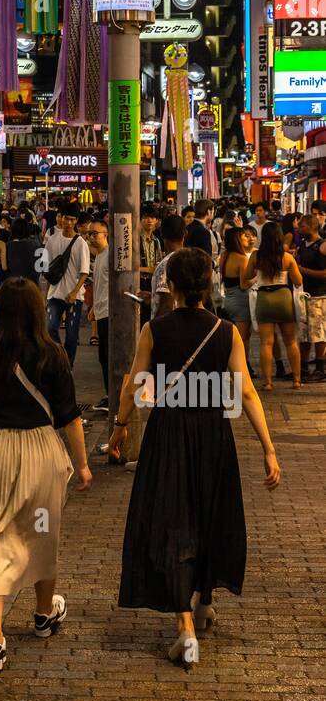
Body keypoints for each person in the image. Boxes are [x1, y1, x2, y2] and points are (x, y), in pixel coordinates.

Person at [109, 248, 281, 671]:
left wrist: (120, 426)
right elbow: (246, 393)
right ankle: (203, 602)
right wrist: (268, 448)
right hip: (213, 436)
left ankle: (186, 627)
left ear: (171, 286)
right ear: (208, 286)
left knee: (173, 522)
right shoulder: (227, 332)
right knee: (209, 515)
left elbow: (133, 384)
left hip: (168, 434)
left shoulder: (155, 329)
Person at [0, 278, 90, 673]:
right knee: (42, 533)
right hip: (42, 450)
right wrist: (82, 465)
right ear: (36, 312)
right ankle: (44, 616)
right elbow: (69, 416)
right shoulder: (53, 353)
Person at [243, 220, 303, 390]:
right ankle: (297, 380)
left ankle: (268, 382)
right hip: (283, 297)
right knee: (291, 341)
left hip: (264, 298)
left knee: (266, 343)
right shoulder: (287, 257)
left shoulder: (256, 256)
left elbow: (248, 275)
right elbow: (298, 281)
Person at [43, 207, 91, 367]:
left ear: (76, 221)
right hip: (54, 295)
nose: (69, 223)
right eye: (67, 218)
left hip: (74, 297)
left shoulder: (81, 243)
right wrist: (46, 296)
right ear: (60, 218)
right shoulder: (51, 240)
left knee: (72, 335)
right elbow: (49, 270)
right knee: (50, 329)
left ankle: (68, 364)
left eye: (72, 220)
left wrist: (74, 292)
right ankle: (60, 358)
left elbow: (84, 272)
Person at [296, 214, 326, 380]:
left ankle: (321, 367)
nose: (299, 229)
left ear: (312, 227)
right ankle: (304, 366)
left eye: (302, 226)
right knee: (304, 333)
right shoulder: (302, 244)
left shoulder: (322, 246)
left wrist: (303, 270)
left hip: (319, 296)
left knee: (318, 332)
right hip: (303, 295)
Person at [219, 226, 254, 364]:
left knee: (233, 337)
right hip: (241, 300)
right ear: (237, 239)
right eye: (244, 236)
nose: (247, 238)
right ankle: (243, 367)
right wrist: (257, 278)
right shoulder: (242, 259)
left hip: (228, 299)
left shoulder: (224, 256)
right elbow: (244, 284)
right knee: (242, 338)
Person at [86, 219, 109, 406]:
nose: (91, 238)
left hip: (110, 314)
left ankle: (112, 396)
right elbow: (100, 286)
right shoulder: (100, 257)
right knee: (103, 356)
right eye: (89, 234)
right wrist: (94, 307)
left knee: (107, 356)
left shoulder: (110, 256)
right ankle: (110, 394)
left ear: (106, 234)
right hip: (101, 312)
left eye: (95, 234)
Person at [151, 215, 187, 321]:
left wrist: (153, 328)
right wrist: (153, 298)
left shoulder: (167, 263)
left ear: (162, 234)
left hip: (168, 328)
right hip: (186, 324)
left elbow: (166, 303)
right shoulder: (190, 258)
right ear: (185, 233)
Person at [138, 204, 163, 322]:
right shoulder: (135, 240)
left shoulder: (157, 241)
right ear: (140, 219)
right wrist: (149, 269)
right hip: (139, 283)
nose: (149, 220)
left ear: (157, 221)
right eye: (146, 217)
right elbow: (130, 267)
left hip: (152, 283)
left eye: (153, 218)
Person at [6, 217, 43, 285]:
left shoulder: (8, 246)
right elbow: (42, 266)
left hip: (13, 283)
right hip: (32, 284)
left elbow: (6, 267)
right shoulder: (35, 244)